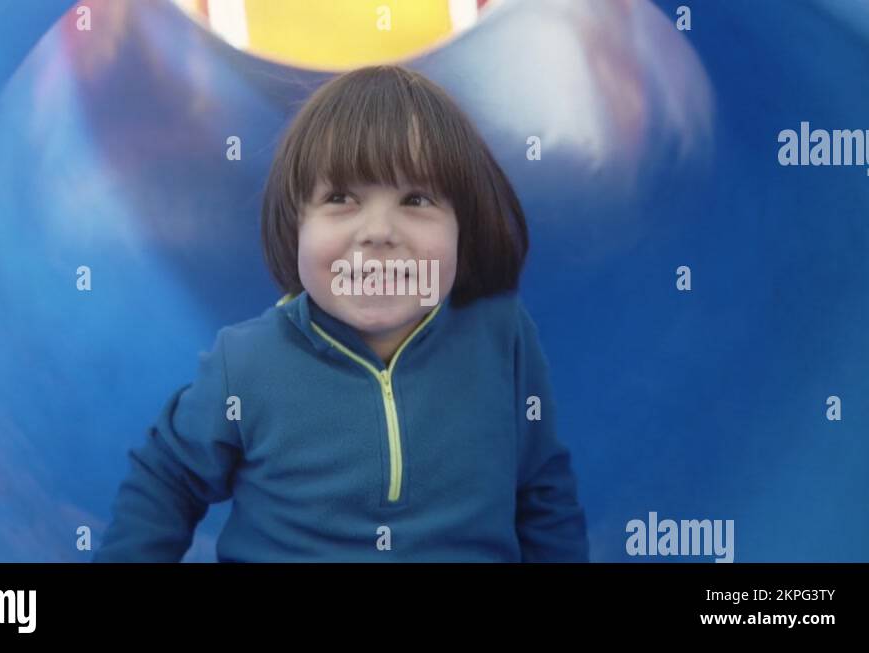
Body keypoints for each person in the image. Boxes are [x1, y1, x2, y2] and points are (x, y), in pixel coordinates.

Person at [94, 65, 589, 562]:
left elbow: (542, 492)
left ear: (465, 226)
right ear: (296, 226)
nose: (378, 232)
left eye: (416, 199)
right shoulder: (246, 364)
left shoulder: (501, 340)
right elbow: (168, 477)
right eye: (341, 198)